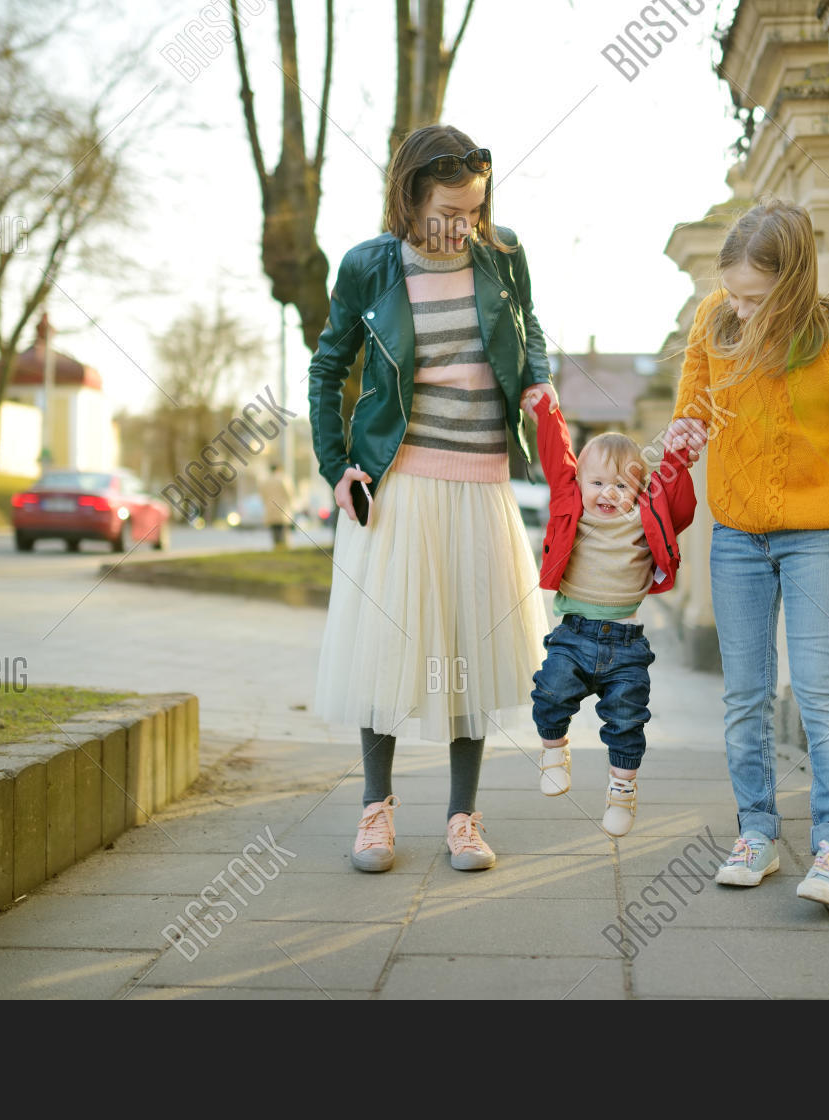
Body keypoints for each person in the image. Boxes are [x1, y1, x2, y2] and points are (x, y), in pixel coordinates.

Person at [307, 124, 557, 874]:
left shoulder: (502, 254)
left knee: (468, 653)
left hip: (481, 481)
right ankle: (375, 813)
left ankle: (463, 819)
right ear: (409, 199)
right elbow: (327, 368)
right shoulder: (368, 266)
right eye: (448, 212)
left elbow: (530, 330)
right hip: (399, 483)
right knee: (386, 652)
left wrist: (538, 382)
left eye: (474, 211)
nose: (462, 227)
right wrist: (336, 467)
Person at [666, 197, 829, 908]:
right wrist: (681, 438)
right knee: (744, 695)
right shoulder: (714, 323)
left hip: (819, 540)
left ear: (794, 283)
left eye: (755, 298)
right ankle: (757, 833)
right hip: (735, 538)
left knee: (819, 691)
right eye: (733, 293)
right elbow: (693, 413)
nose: (738, 309)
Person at [527, 396, 697, 836]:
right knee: (550, 694)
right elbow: (557, 457)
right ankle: (553, 752)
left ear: (639, 490)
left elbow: (679, 502)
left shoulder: (648, 514)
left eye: (622, 485)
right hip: (573, 636)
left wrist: (678, 453)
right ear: (579, 483)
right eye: (598, 482)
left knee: (627, 719)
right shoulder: (571, 505)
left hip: (626, 644)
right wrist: (547, 412)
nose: (608, 493)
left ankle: (622, 790)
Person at [259, 463, 295, 548]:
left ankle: (276, 547)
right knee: (283, 531)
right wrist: (291, 505)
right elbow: (289, 494)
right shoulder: (283, 479)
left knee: (274, 530)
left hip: (270, 509)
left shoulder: (265, 481)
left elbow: (262, 495)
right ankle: (283, 547)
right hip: (283, 508)